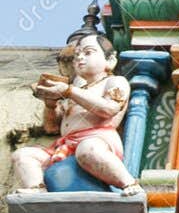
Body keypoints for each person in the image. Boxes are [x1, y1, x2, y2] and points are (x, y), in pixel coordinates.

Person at [15, 33, 140, 197]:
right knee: (23, 155)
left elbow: (109, 109)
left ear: (110, 60)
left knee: (88, 150)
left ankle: (128, 183)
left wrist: (69, 91)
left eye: (88, 52)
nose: (80, 58)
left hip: (98, 141)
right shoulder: (78, 90)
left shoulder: (114, 82)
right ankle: (37, 188)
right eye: (77, 55)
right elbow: (52, 127)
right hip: (65, 145)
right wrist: (50, 104)